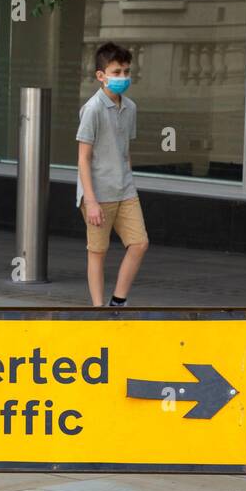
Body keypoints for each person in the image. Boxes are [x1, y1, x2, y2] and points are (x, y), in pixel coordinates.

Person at [77, 42, 148, 307]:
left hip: (125, 190)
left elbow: (124, 149)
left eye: (126, 71)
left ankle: (118, 301)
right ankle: (98, 310)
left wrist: (128, 177)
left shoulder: (130, 108)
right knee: (98, 253)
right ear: (101, 75)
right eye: (116, 72)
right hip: (98, 193)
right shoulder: (92, 110)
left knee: (139, 243)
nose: (123, 77)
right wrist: (91, 201)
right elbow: (83, 158)